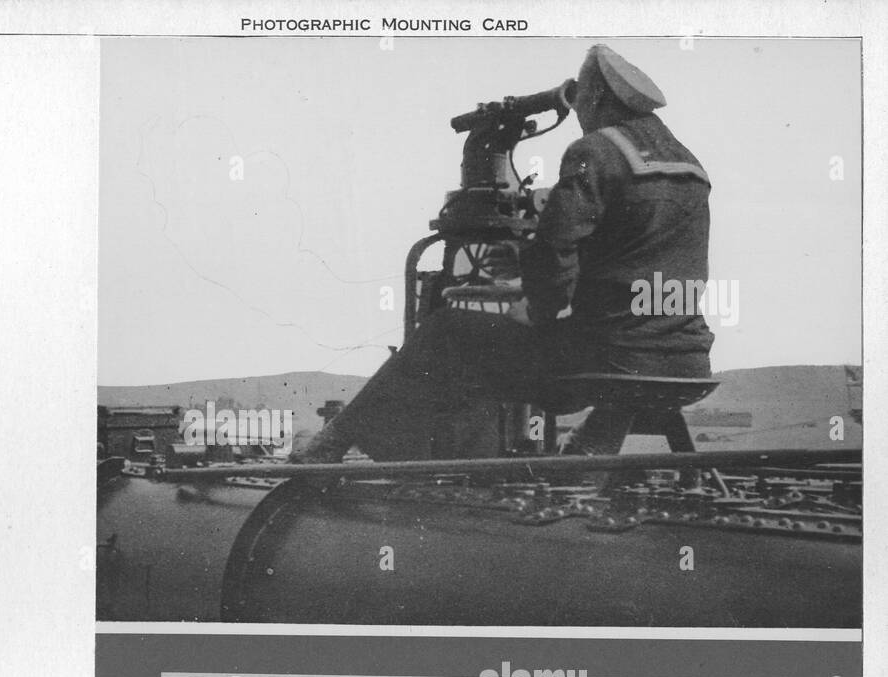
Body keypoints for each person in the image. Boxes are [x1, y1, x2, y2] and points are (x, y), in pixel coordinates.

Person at [293, 45, 715, 463]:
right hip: (684, 360)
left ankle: (332, 446)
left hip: (607, 358)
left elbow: (556, 248)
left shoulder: (595, 152)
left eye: (581, 98)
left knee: (445, 331)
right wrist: (526, 267)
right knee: (614, 356)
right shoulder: (688, 165)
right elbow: (634, 254)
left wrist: (536, 307)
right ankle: (584, 460)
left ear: (597, 97)